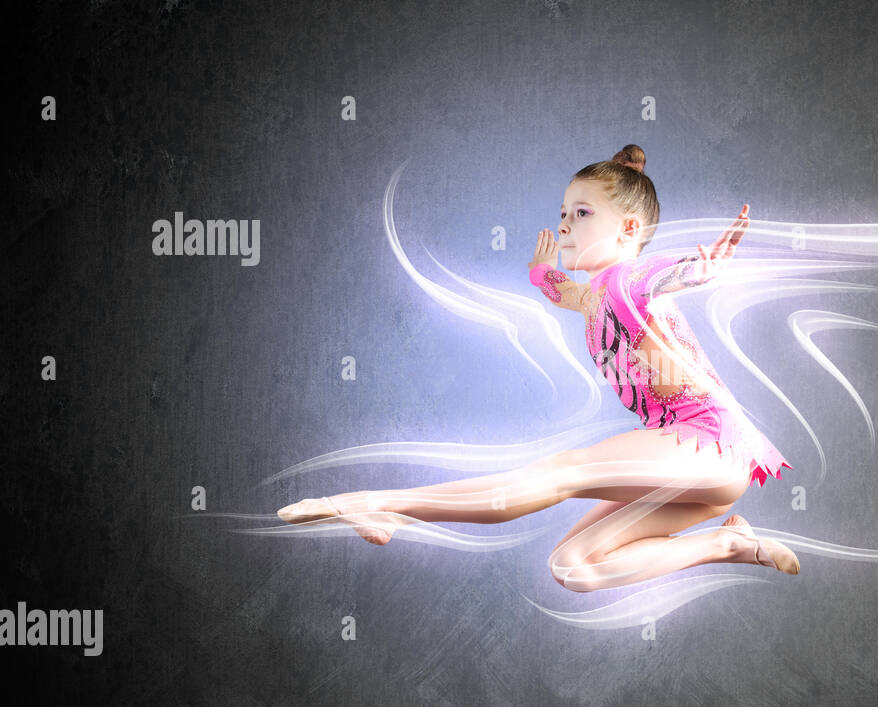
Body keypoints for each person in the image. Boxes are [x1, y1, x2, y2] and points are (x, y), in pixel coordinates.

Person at [277, 144, 798, 591]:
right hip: (698, 475)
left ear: (630, 228)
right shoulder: (597, 296)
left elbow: (664, 277)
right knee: (572, 566)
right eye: (565, 212)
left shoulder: (630, 279)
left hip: (706, 443)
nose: (566, 223)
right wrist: (538, 273)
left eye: (583, 214)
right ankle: (728, 543)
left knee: (562, 473)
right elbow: (563, 292)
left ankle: (379, 503)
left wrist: (698, 270)